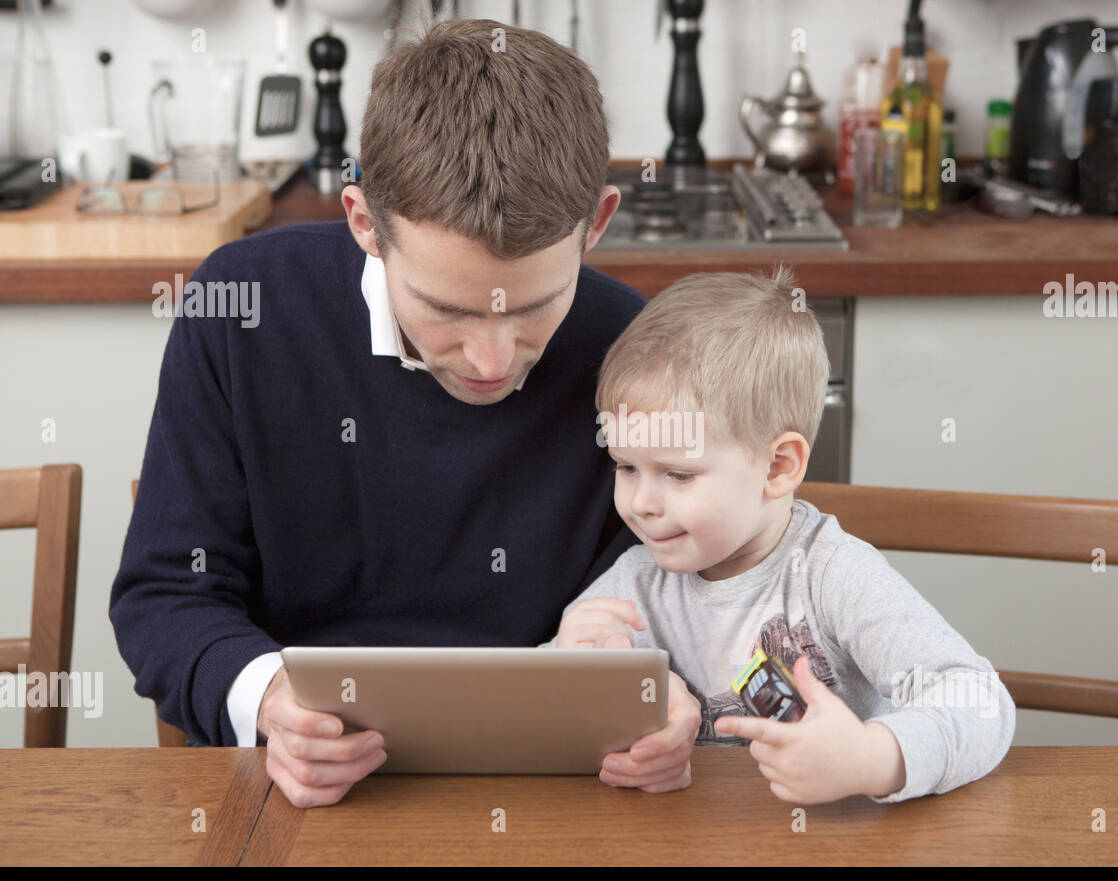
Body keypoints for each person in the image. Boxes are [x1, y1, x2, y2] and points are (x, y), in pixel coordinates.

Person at [110, 20, 700, 809]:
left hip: (570, 803)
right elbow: (166, 594)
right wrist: (271, 702)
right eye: (446, 308)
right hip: (297, 805)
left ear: (596, 224)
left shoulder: (637, 347)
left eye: (534, 307)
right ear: (364, 223)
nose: (492, 361)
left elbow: (699, 597)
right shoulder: (240, 308)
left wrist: (679, 698)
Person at [547, 265, 1016, 803]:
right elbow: (517, 714)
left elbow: (979, 702)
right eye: (625, 467)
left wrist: (872, 759)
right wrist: (568, 665)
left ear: (777, 467)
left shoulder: (834, 575)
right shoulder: (635, 582)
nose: (639, 504)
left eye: (677, 474)